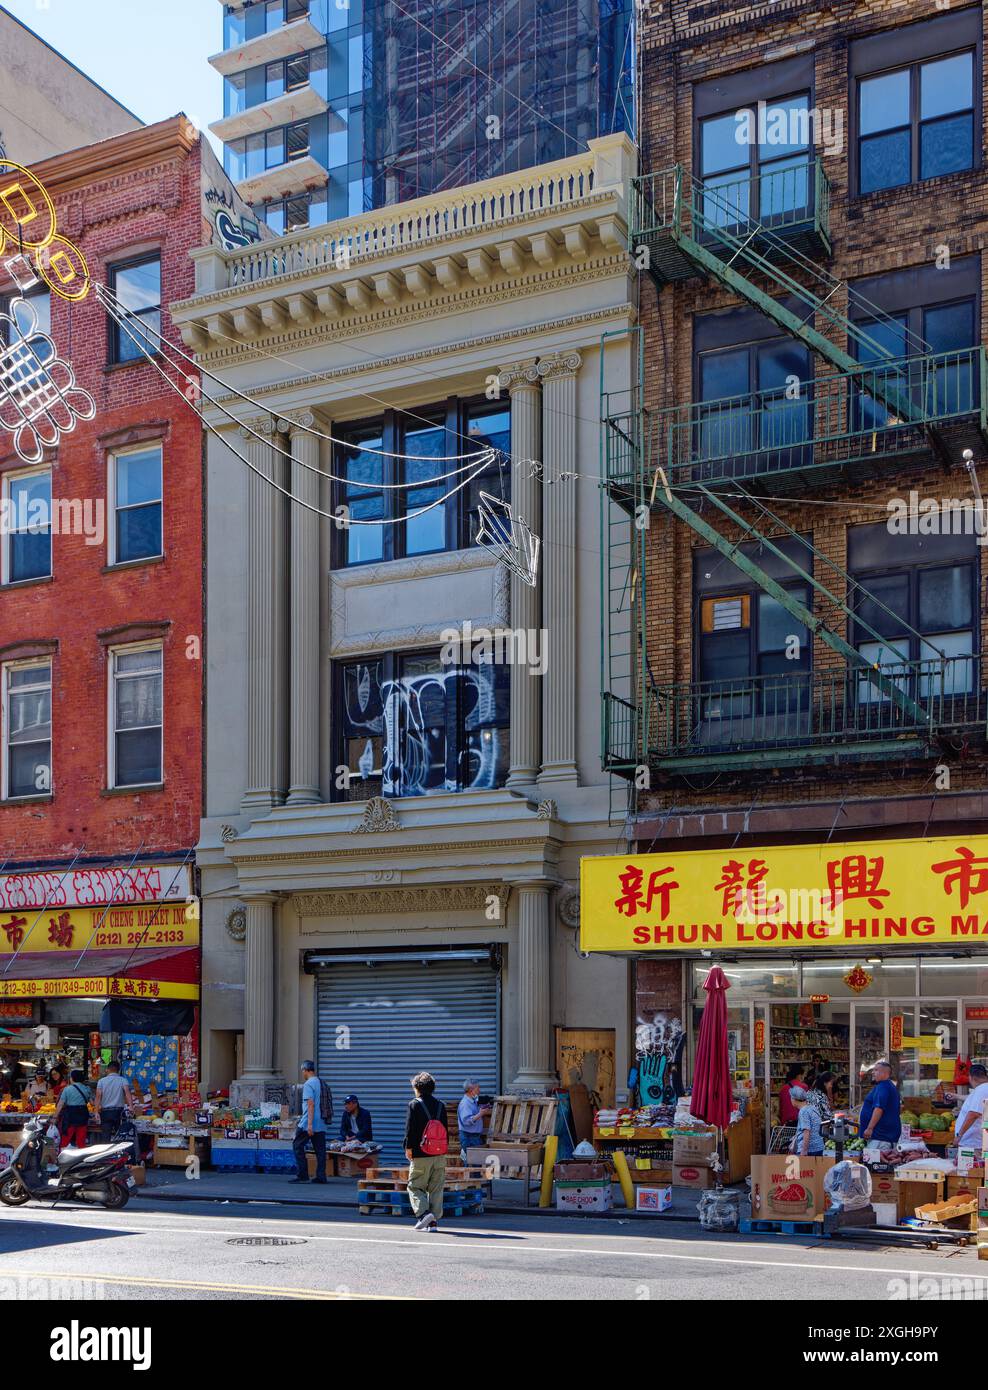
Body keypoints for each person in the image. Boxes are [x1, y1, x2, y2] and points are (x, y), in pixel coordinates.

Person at [404, 1071, 448, 1231]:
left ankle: (423, 1214)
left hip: (421, 1153)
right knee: (436, 1188)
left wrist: (408, 1149)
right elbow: (445, 1130)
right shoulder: (440, 1105)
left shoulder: (414, 1104)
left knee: (415, 1186)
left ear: (417, 1087)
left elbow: (411, 1130)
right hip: (439, 1154)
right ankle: (433, 1222)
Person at [291, 1060, 327, 1184]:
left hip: (308, 1122)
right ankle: (321, 1176)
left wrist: (310, 1125)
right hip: (321, 1122)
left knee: (297, 1146)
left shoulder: (308, 1084)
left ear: (306, 1070)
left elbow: (310, 1104)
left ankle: (303, 1175)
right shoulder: (321, 1082)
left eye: (303, 1071)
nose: (302, 1073)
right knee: (320, 1150)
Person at [792, 1071, 836, 1156]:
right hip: (817, 1139)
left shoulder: (809, 1093)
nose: (831, 1086)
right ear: (824, 1083)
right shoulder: (821, 1096)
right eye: (831, 1083)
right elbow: (826, 1117)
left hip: (812, 1140)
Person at [860, 1059, 902, 1146]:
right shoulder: (886, 1086)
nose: (872, 1072)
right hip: (883, 1137)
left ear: (885, 1073)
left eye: (876, 1070)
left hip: (881, 1138)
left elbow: (879, 1109)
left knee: (876, 1159)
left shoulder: (883, 1087)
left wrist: (870, 1128)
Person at [94, 1061, 133, 1142]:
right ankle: (119, 1153)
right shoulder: (123, 1080)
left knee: (105, 1136)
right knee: (120, 1136)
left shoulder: (101, 1081)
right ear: (118, 1070)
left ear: (108, 1069)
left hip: (105, 1113)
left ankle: (106, 1153)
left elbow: (98, 1096)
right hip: (119, 1112)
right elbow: (127, 1093)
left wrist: (96, 1111)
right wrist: (131, 1107)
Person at [953, 1063, 988, 1153]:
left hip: (973, 1144)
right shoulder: (983, 1089)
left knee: (971, 1166)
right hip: (976, 1142)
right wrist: (955, 1096)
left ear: (971, 1077)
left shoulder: (982, 1090)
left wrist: (959, 1135)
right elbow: (971, 1099)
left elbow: (974, 1114)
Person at [54, 1069, 93, 1150]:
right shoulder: (87, 1089)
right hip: (83, 1114)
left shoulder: (67, 1089)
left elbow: (60, 1104)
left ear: (72, 1078)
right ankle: (81, 1158)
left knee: (66, 1137)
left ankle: (62, 1156)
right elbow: (92, 1103)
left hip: (70, 1115)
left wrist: (55, 1117)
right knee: (81, 1139)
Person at [456, 1079, 490, 1158]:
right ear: (471, 1090)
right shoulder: (465, 1103)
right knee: (472, 1162)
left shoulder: (473, 1101)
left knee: (475, 1161)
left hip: (473, 1137)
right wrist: (480, 1114)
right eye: (478, 1088)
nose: (479, 1091)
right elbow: (466, 1121)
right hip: (469, 1137)